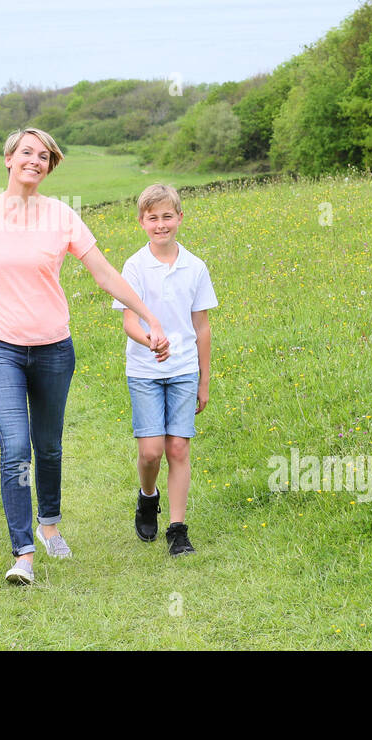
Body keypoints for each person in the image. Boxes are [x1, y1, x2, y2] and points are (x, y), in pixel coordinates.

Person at [0, 128, 170, 585]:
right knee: (15, 447)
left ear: (49, 167)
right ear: (9, 158)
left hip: (54, 348)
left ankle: (50, 523)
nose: (35, 161)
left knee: (49, 444)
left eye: (44, 157)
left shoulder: (62, 216)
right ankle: (24, 553)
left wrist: (148, 317)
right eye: (27, 153)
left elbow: (103, 273)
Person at [113, 184, 217, 556]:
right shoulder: (134, 266)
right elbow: (128, 322)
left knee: (177, 447)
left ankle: (177, 529)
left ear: (180, 218)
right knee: (152, 451)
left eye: (167, 217)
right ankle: (147, 496)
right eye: (153, 218)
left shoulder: (195, 267)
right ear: (142, 222)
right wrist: (150, 341)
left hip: (185, 369)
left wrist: (204, 380)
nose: (161, 224)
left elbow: (201, 327)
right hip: (144, 370)